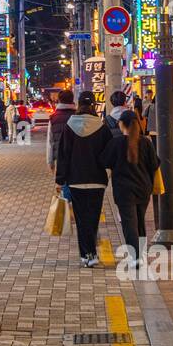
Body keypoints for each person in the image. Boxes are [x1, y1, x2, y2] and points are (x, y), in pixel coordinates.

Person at [55, 91, 113, 267]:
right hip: (97, 180)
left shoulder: (69, 126)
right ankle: (92, 254)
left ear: (79, 105)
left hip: (75, 180)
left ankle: (87, 255)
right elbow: (108, 154)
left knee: (81, 220)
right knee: (93, 217)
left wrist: (60, 179)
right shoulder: (102, 127)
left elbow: (63, 155)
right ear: (94, 105)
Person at [104, 110, 160, 265]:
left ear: (122, 124)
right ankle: (140, 255)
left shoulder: (116, 143)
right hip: (143, 188)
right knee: (139, 220)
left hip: (123, 190)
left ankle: (134, 257)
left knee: (129, 222)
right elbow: (155, 164)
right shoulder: (146, 142)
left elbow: (105, 161)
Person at [46, 89, 77, 173]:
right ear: (72, 99)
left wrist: (50, 162)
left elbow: (50, 142)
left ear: (59, 100)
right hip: (77, 157)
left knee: (63, 183)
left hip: (59, 158)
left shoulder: (53, 117)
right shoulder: (78, 115)